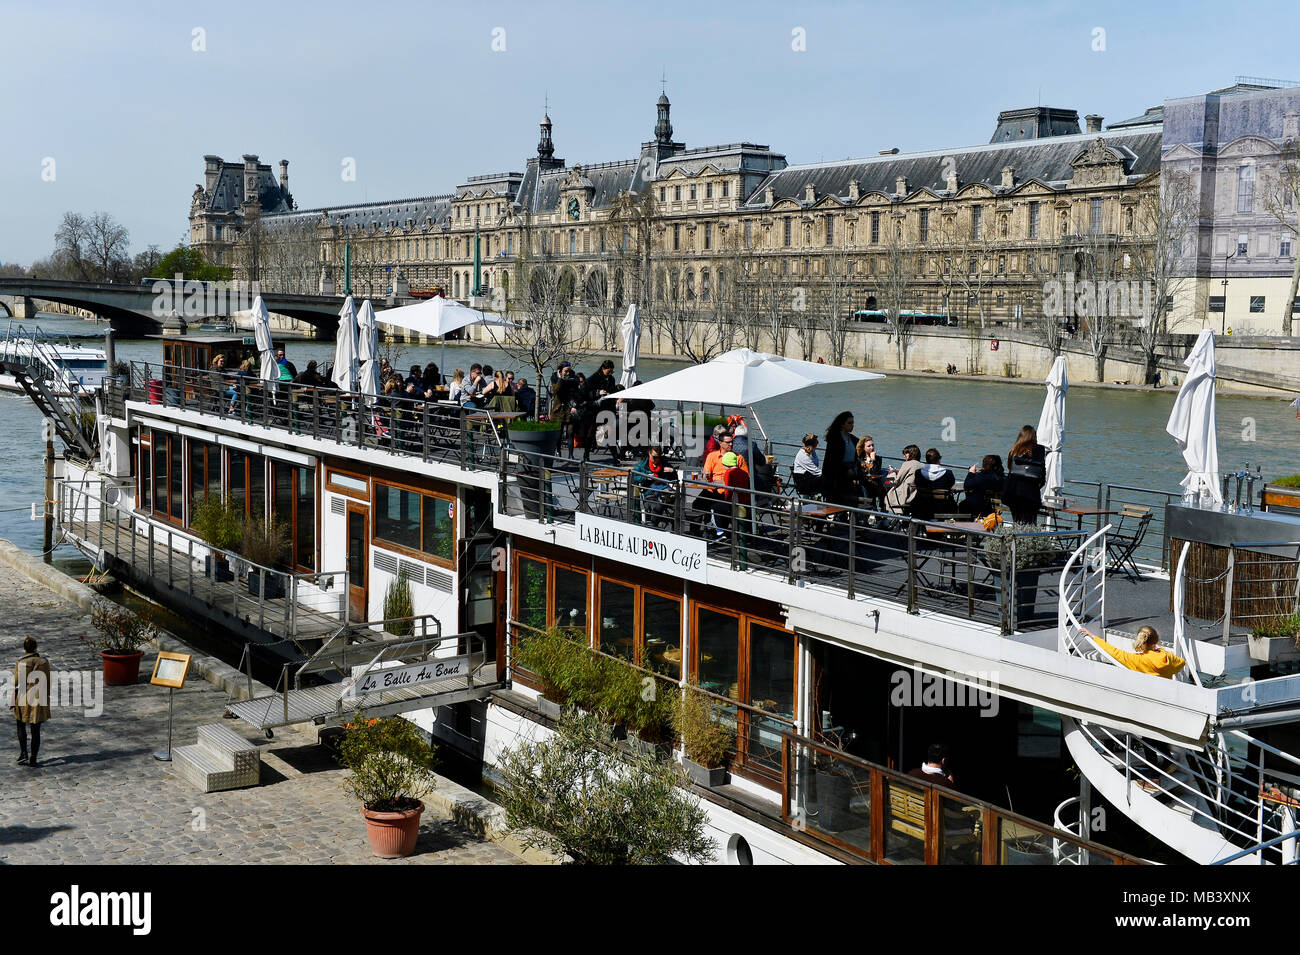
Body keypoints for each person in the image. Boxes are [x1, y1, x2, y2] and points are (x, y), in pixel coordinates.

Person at [12, 636, 50, 767]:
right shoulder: (44, 662)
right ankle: (33, 758)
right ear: (36, 647)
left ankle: (23, 753)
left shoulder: (21, 663)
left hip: (23, 697)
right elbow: (47, 682)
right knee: (36, 730)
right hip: (38, 698)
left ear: (24, 648)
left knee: (20, 724)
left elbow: (16, 682)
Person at [1003, 425, 1047, 525]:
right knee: (1030, 523)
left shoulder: (1014, 450)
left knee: (1017, 521)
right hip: (1031, 493)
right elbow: (1041, 474)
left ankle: (1015, 539)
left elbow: (1010, 468)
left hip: (1013, 492)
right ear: (1034, 436)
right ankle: (1027, 540)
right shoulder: (1039, 450)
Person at [822, 411, 860, 506]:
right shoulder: (835, 439)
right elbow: (830, 461)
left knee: (852, 501)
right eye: (849, 423)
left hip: (850, 476)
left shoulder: (854, 440)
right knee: (838, 503)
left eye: (853, 423)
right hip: (837, 477)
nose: (852, 425)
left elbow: (857, 457)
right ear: (842, 424)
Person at [913, 448, 956, 520]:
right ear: (939, 459)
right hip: (943, 507)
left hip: (921, 505)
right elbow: (950, 484)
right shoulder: (948, 473)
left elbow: (917, 483)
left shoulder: (918, 473)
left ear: (926, 460)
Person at [884, 444, 923, 514]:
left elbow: (896, 481)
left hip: (905, 495)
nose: (904, 456)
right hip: (916, 494)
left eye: (906, 453)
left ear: (911, 454)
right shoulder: (922, 465)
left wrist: (892, 472)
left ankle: (881, 514)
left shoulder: (907, 464)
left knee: (884, 484)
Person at [856, 435, 886, 509]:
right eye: (869, 446)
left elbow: (874, 472)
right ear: (863, 448)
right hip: (863, 483)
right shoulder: (859, 459)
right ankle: (870, 509)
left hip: (875, 484)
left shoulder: (878, 459)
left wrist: (873, 460)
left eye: (872, 445)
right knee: (865, 486)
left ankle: (878, 511)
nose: (872, 448)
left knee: (878, 487)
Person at [793, 433, 823, 497]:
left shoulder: (812, 451)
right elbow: (815, 471)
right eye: (816, 442)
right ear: (813, 443)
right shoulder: (804, 455)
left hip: (809, 477)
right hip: (803, 481)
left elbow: (815, 466)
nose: (818, 443)